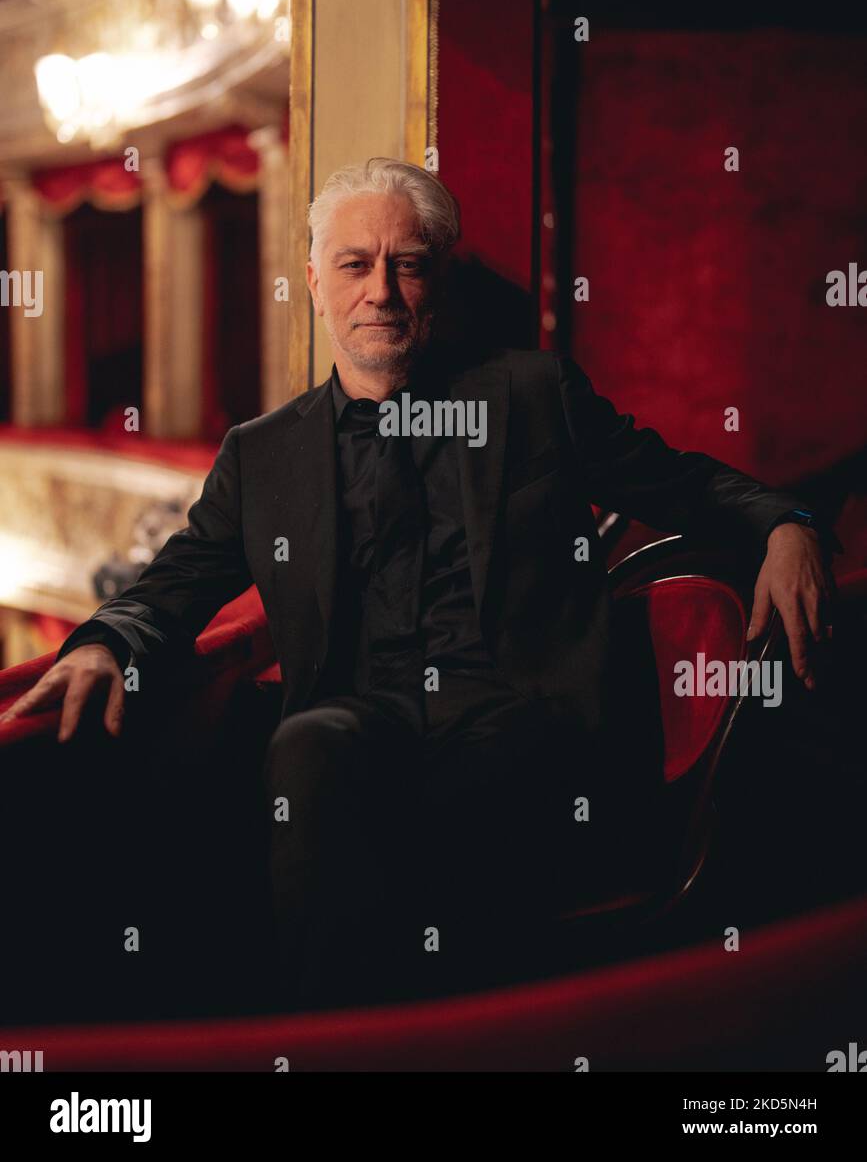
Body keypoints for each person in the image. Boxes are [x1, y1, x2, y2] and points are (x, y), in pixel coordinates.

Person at [1, 158, 836, 1009]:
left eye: (407, 264)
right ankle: (322, 1040)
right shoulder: (262, 454)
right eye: (356, 265)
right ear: (315, 283)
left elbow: (681, 483)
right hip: (359, 726)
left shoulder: (531, 394)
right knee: (287, 760)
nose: (382, 292)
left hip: (525, 723)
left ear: (436, 277)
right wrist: (104, 641)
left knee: (349, 820)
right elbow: (175, 582)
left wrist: (784, 525)